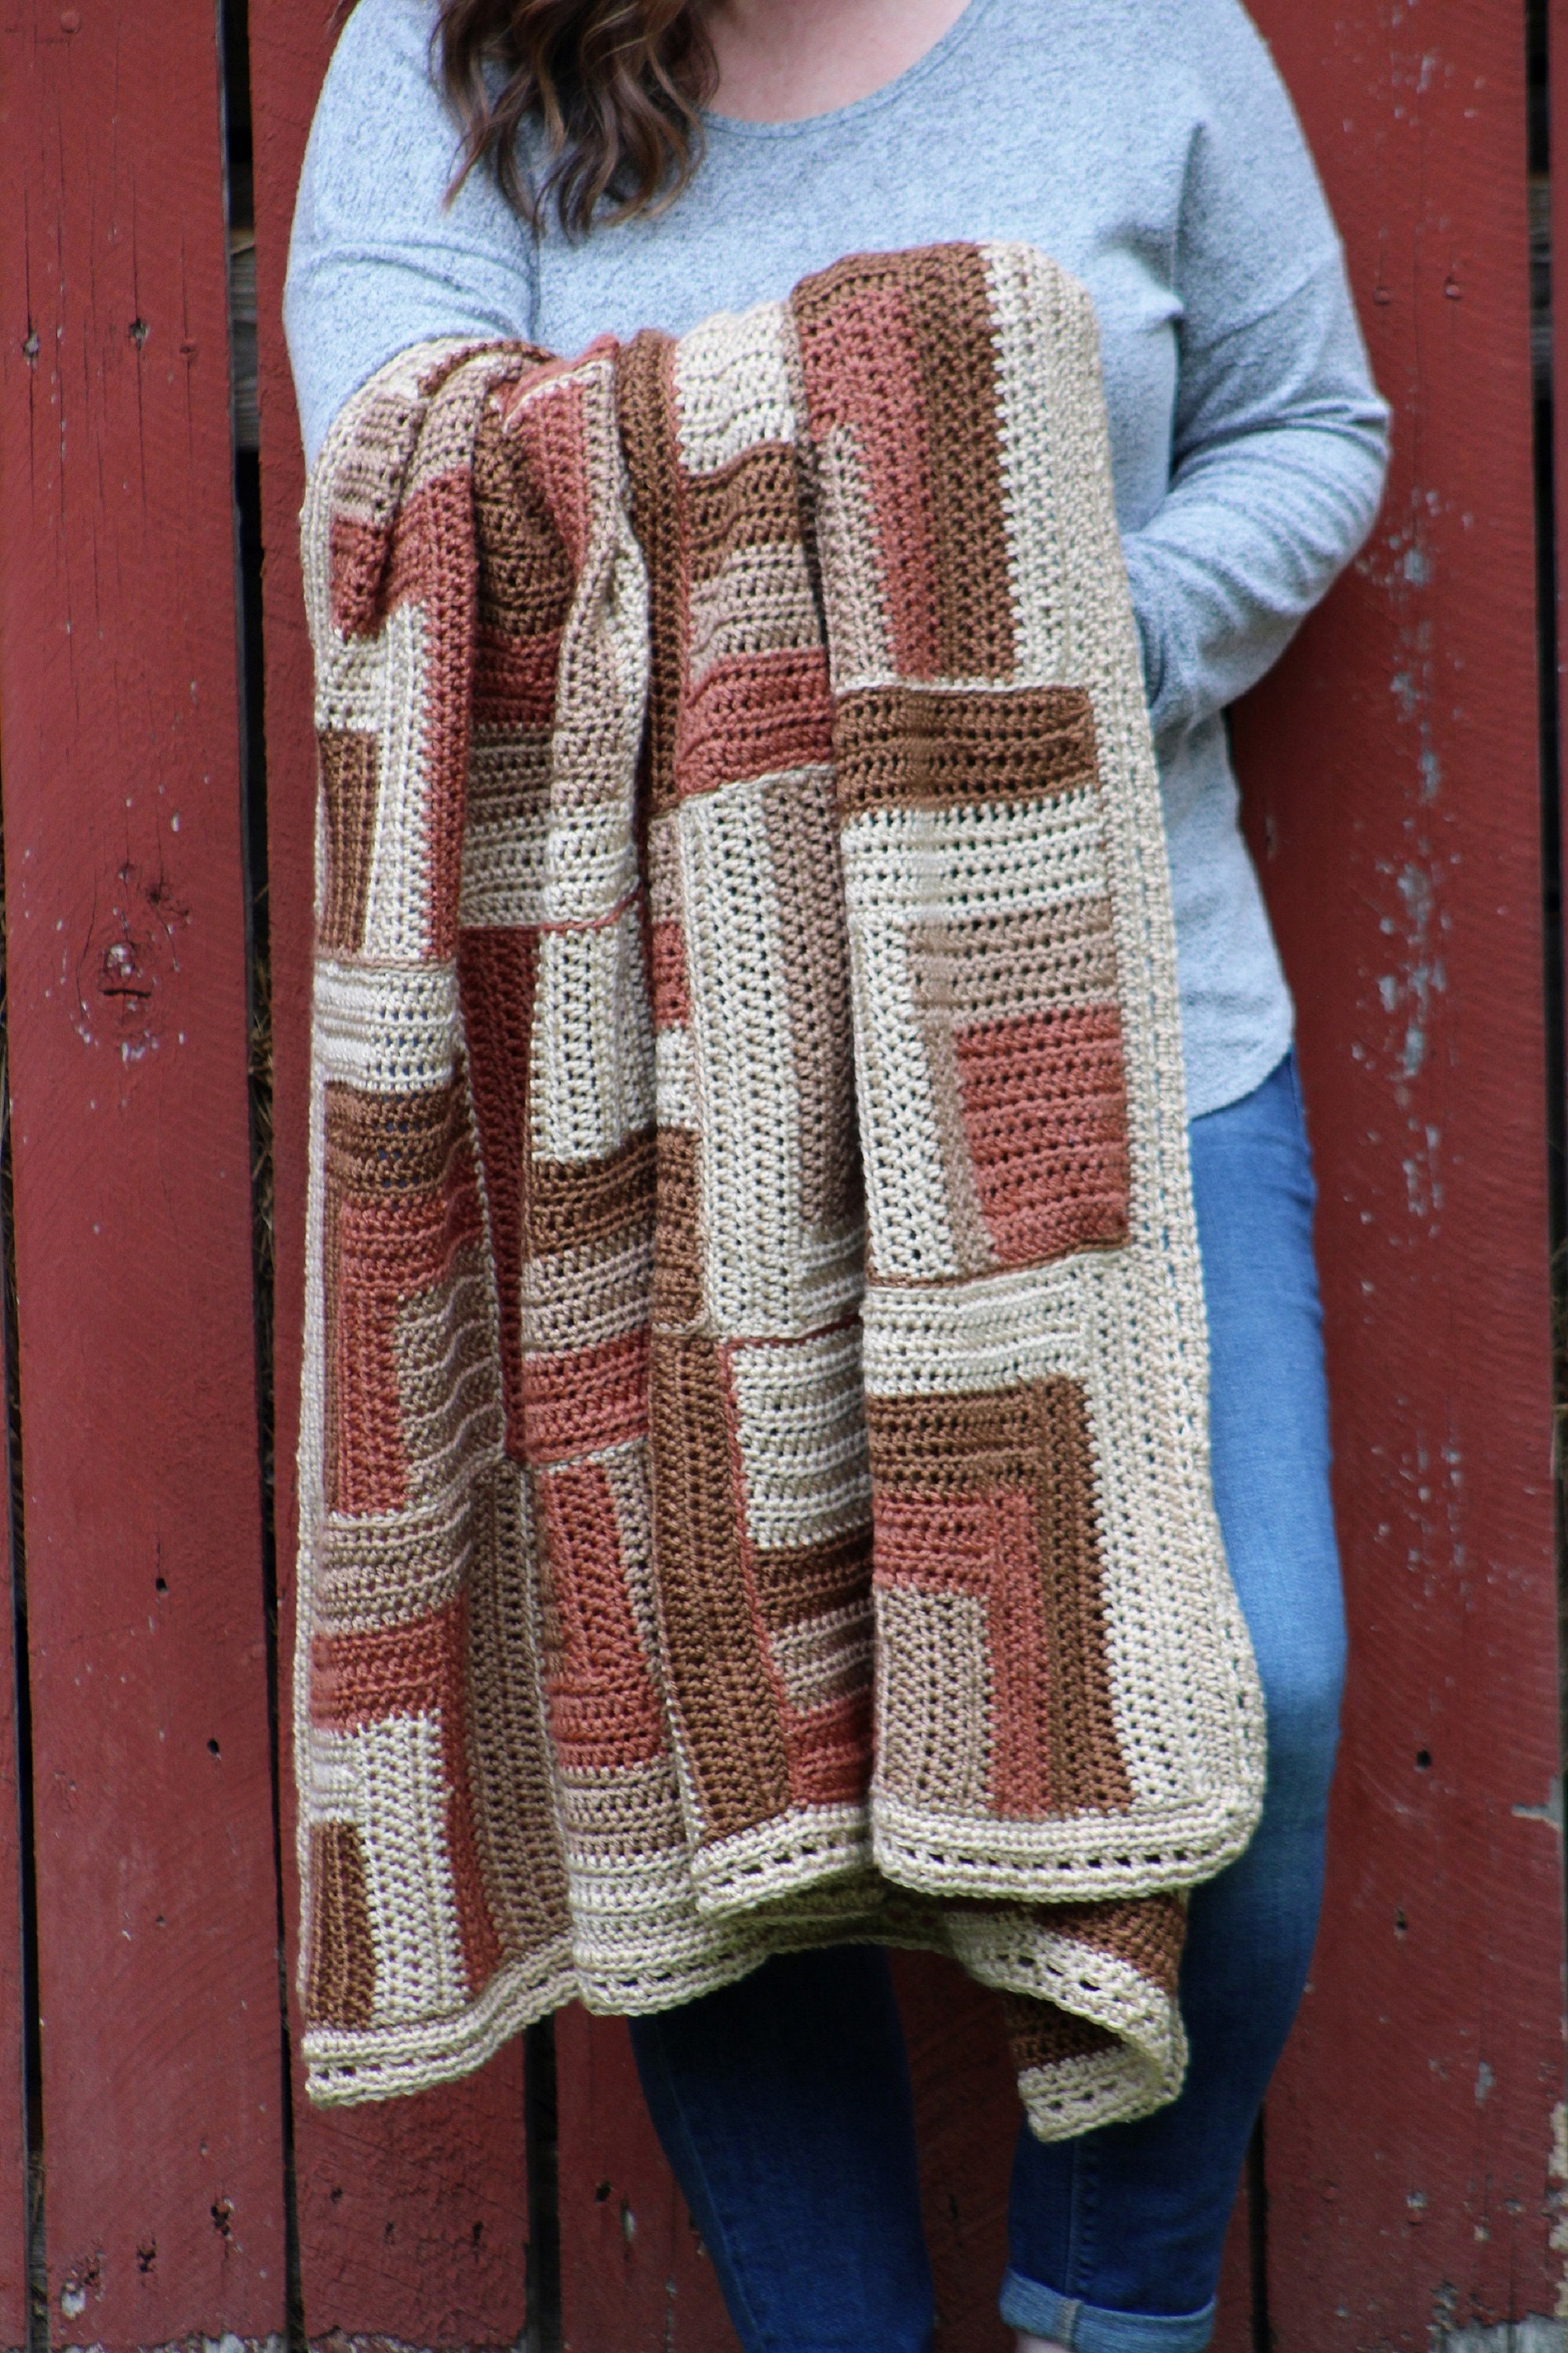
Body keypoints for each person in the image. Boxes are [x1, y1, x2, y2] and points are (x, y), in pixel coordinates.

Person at [286, 4, 1390, 2345]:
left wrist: (1074, 646)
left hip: (1111, 1010)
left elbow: (1311, 429)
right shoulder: (455, 47)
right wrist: (896, 428)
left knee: (1263, 1684)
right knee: (702, 1744)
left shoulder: (1146, 34)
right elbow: (395, 485)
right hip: (652, 1084)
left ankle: (1116, 2307)